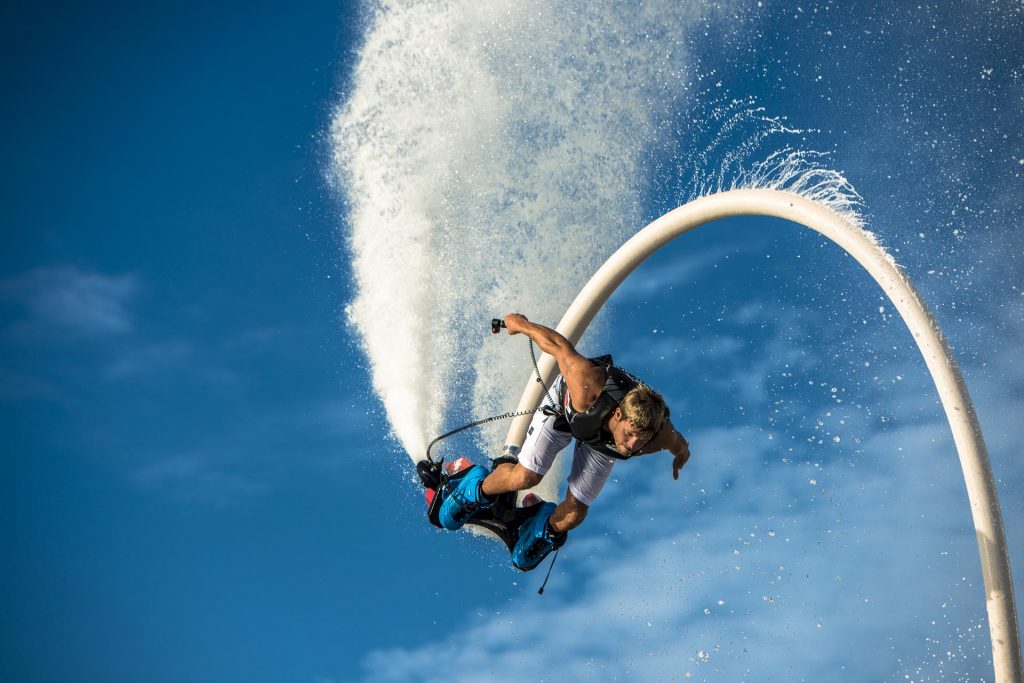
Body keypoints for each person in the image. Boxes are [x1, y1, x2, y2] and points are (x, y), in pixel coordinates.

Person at [439, 313, 692, 570]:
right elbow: (558, 346)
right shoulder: (586, 384)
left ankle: (539, 529)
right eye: (629, 434)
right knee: (527, 476)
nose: (632, 445)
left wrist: (681, 458)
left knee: (575, 514)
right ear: (618, 414)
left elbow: (680, 446)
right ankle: (474, 489)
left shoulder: (658, 438)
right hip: (563, 412)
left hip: (599, 445)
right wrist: (521, 326)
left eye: (642, 440)